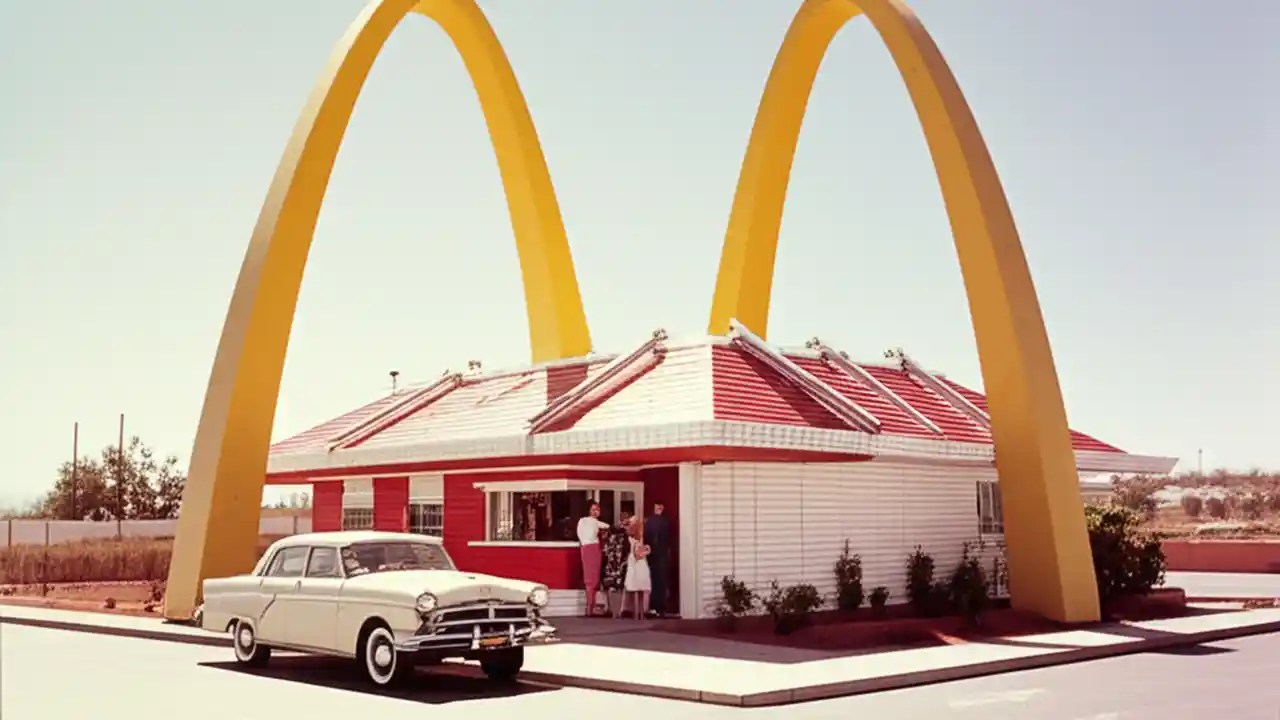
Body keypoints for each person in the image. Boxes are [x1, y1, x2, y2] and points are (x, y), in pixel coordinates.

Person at [576, 502, 610, 616]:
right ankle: (590, 605)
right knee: (591, 577)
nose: (596, 511)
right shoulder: (590, 521)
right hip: (591, 548)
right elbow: (607, 526)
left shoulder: (585, 521)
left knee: (591, 577)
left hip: (588, 548)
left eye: (597, 509)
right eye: (593, 509)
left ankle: (591, 605)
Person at [643, 500, 671, 617]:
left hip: (658, 554)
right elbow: (647, 537)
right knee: (656, 580)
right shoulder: (652, 521)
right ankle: (656, 607)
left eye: (660, 507)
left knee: (659, 581)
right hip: (655, 554)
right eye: (656, 507)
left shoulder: (663, 521)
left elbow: (667, 538)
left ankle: (659, 607)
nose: (658, 509)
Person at [600, 512, 631, 618]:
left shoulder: (610, 535)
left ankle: (612, 609)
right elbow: (627, 550)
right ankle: (618, 610)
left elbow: (605, 549)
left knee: (611, 586)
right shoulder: (624, 535)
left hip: (612, 564)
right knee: (618, 587)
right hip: (617, 564)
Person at [624, 517, 651, 620]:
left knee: (640, 589)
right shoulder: (633, 541)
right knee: (636, 588)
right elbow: (636, 555)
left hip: (639, 564)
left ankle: (640, 613)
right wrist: (645, 552)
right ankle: (637, 613)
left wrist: (645, 550)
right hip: (636, 563)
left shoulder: (638, 540)